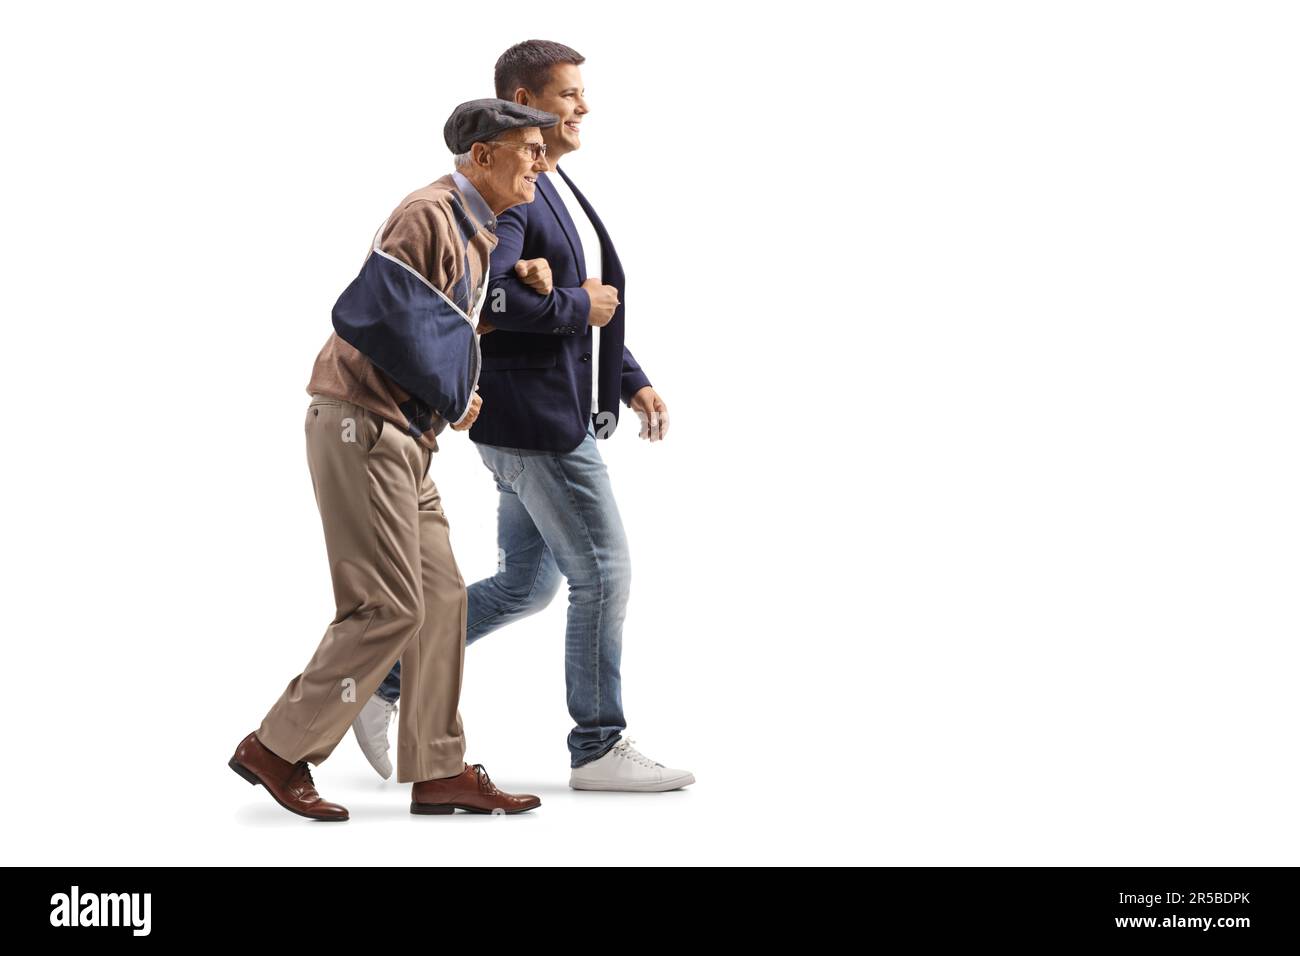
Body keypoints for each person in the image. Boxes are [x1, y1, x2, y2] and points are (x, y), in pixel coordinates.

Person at [354, 41, 694, 793]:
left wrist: (628, 378)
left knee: (526, 586)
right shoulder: (517, 192)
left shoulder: (551, 183)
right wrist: (576, 305)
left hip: (537, 416)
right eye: (568, 94)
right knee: (604, 573)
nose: (583, 106)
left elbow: (577, 303)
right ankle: (599, 745)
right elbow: (483, 301)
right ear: (522, 98)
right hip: (537, 424)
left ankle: (382, 680)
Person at [229, 99, 559, 820]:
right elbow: (379, 317)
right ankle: (278, 749)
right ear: (483, 157)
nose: (541, 160)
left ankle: (438, 769)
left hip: (406, 437)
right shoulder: (428, 212)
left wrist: (505, 309)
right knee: (385, 606)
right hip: (361, 426)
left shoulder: (477, 230)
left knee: (442, 600)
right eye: (530, 148)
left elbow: (443, 325)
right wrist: (451, 389)